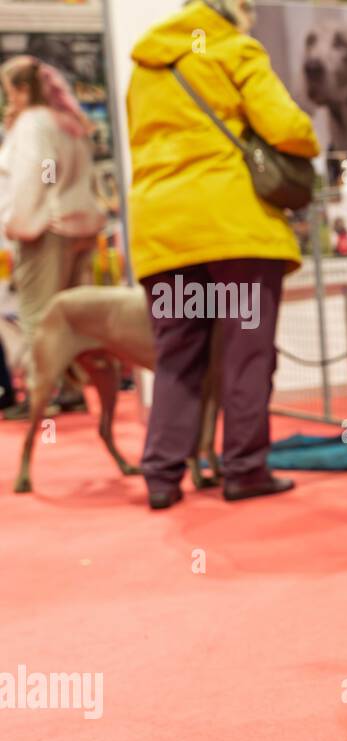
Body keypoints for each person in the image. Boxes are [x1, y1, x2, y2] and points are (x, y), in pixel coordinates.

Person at [127, 0, 319, 509]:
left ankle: (162, 476)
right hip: (233, 227)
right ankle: (243, 469)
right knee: (245, 355)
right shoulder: (235, 49)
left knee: (176, 357)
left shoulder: (145, 66)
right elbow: (290, 129)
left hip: (162, 230)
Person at [0, 55, 107, 417]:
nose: (8, 98)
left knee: (37, 315)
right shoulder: (69, 122)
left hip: (47, 231)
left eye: (9, 90)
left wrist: (26, 220)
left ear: (22, 88)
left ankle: (40, 395)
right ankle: (70, 390)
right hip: (81, 226)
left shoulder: (34, 124)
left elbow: (41, 171)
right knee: (70, 316)